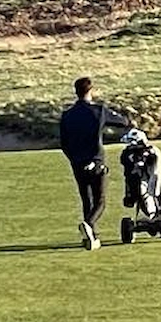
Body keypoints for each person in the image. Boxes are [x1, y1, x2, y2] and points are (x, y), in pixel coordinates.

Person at [59, 76, 130, 251]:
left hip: (77, 162)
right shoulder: (98, 111)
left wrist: (74, 159)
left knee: (87, 200)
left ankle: (90, 238)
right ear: (91, 91)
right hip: (96, 160)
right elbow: (122, 122)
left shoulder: (67, 115)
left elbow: (64, 143)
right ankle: (89, 225)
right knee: (101, 200)